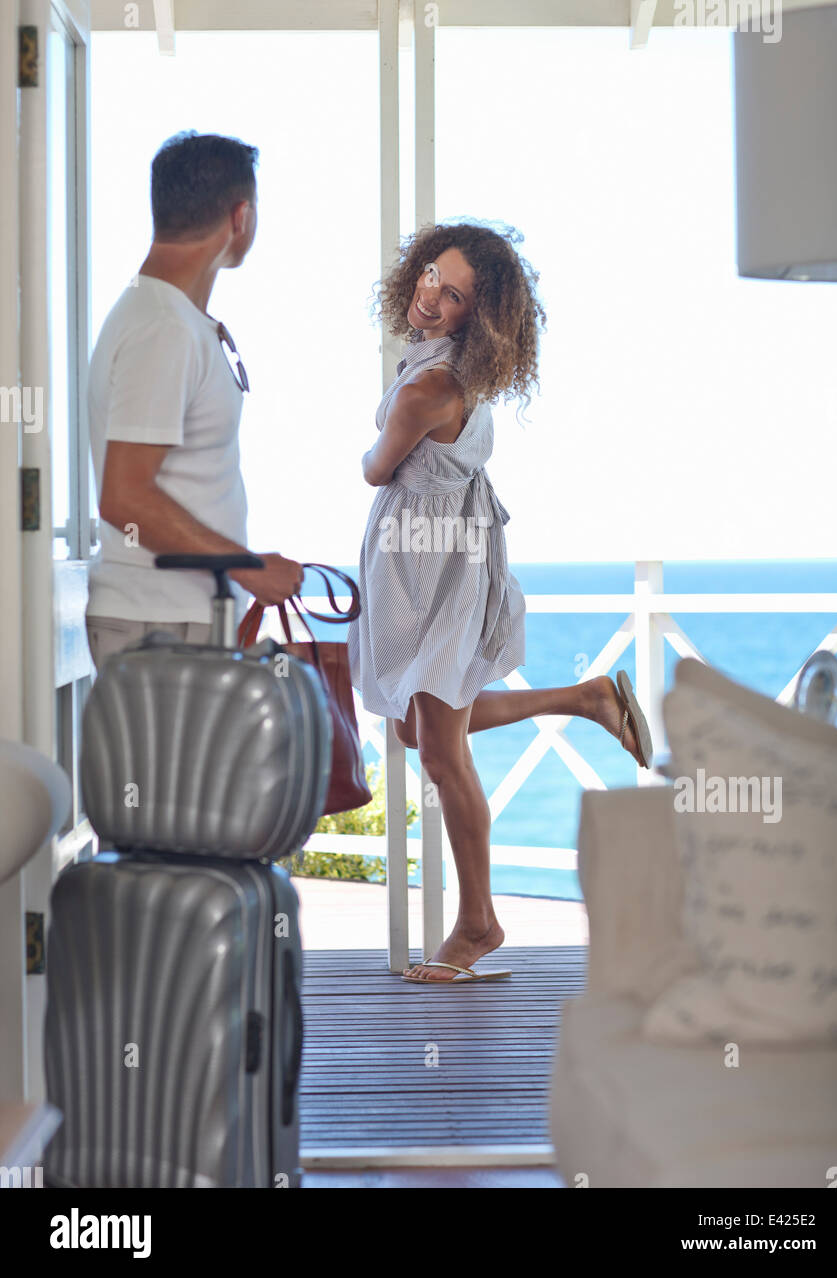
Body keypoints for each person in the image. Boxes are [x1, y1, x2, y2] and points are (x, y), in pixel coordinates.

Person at [347, 221, 652, 984]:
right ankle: (585, 698)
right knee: (424, 727)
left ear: (473, 315)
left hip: (432, 574)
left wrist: (376, 442)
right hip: (441, 558)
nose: (429, 298)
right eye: (429, 278)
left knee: (444, 753)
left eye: (451, 295)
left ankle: (477, 923)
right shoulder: (453, 371)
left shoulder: (428, 386)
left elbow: (375, 469)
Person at [86, 131, 303, 669]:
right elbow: (123, 499)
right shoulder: (164, 328)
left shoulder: (165, 316)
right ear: (241, 217)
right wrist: (248, 565)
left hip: (170, 620)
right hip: (158, 624)